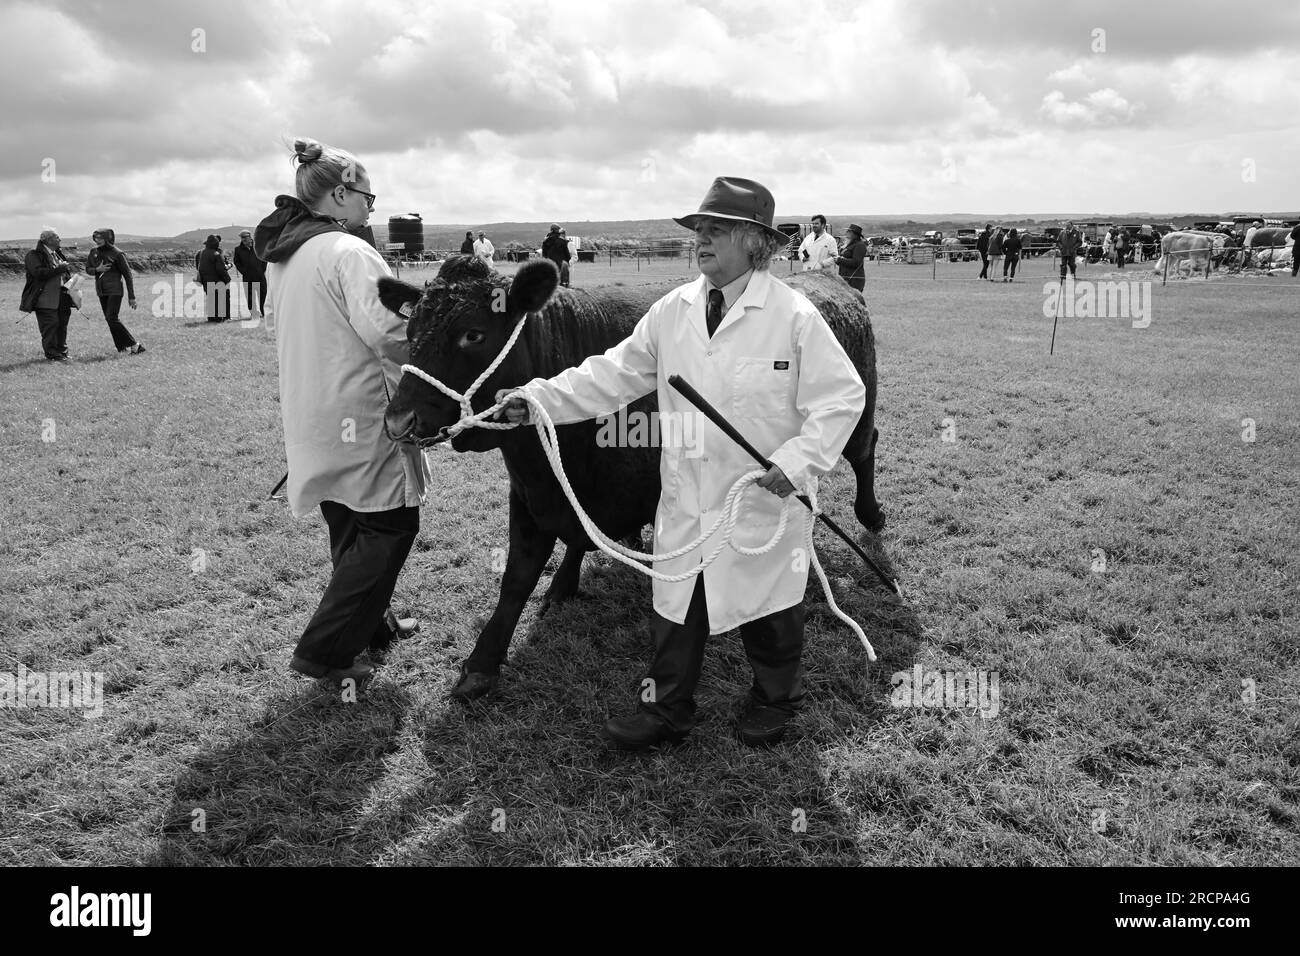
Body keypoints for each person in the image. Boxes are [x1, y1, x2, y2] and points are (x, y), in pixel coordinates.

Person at [493, 176, 866, 750]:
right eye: (699, 228)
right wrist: (540, 398)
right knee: (675, 605)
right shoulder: (673, 311)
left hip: (760, 496)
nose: (703, 238)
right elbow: (612, 374)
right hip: (687, 493)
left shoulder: (793, 316)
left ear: (754, 242)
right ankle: (667, 709)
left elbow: (842, 397)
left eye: (717, 228)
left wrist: (798, 461)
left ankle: (775, 700)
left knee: (769, 607)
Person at [254, 137, 429, 685]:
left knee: (349, 522)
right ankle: (327, 651)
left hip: (313, 410)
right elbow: (389, 333)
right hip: (361, 409)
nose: (370, 208)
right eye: (367, 198)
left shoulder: (288, 256)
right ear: (338, 194)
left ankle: (372, 628)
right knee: (390, 525)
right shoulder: (350, 253)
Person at [85, 229, 144, 354]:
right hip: (101, 291)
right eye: (96, 238)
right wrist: (97, 269)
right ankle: (121, 348)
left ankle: (135, 345)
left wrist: (131, 297)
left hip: (115, 290)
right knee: (109, 319)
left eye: (100, 238)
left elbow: (128, 276)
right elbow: (87, 269)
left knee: (111, 318)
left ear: (108, 238)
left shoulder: (118, 253)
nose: (97, 240)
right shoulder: (93, 252)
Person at [20, 228, 75, 361]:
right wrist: (59, 269)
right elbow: (38, 273)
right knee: (50, 326)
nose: (60, 239)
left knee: (62, 325)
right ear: (48, 240)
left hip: (63, 296)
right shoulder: (33, 255)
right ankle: (52, 354)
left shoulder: (58, 254)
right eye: (57, 237)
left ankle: (62, 352)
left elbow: (64, 273)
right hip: (45, 298)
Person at [232, 229, 267, 318]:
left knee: (263, 295)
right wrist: (244, 272)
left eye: (245, 237)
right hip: (247, 277)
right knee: (250, 297)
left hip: (260, 276)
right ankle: (254, 313)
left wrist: (261, 270)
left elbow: (264, 259)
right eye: (242, 238)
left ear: (250, 237)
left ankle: (264, 312)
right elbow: (236, 262)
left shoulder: (258, 246)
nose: (243, 240)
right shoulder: (238, 249)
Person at [196, 234, 231, 322]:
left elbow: (200, 268)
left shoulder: (202, 253)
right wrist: (227, 279)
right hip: (217, 280)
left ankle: (211, 318)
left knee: (211, 299)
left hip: (206, 281)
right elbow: (221, 269)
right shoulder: (216, 254)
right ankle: (218, 318)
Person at [834, 222, 867, 293]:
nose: (846, 232)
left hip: (854, 280)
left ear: (854, 234)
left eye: (849, 231)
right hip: (844, 278)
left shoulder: (860, 245)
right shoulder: (849, 245)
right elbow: (844, 261)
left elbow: (856, 262)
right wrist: (837, 261)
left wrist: (840, 260)